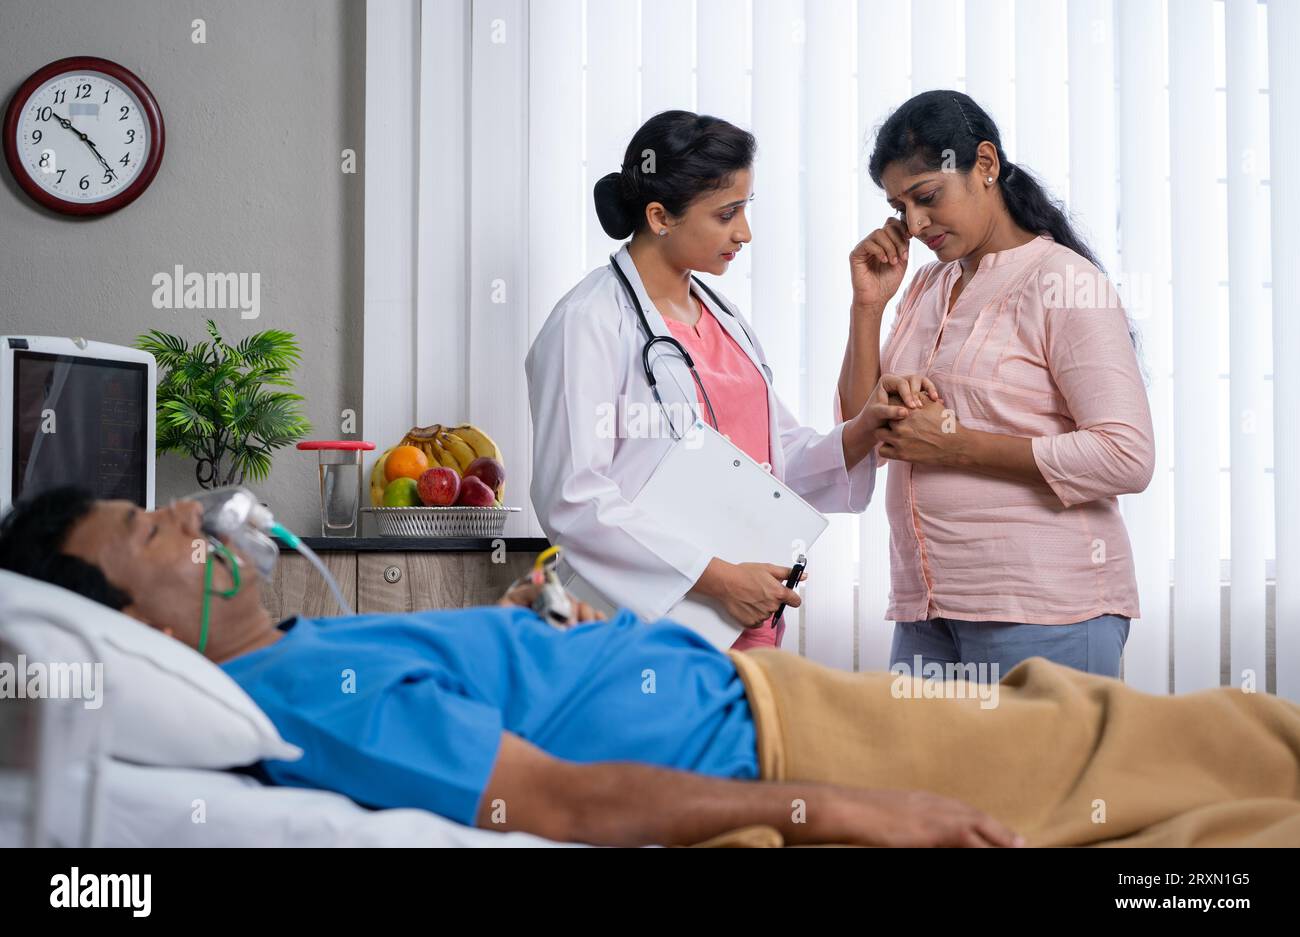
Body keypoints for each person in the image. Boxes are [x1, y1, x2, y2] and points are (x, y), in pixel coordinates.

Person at [7, 488, 1296, 848]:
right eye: (148, 533)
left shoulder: (307, 645)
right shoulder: (301, 702)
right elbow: (561, 805)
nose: (187, 518)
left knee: (1152, 726)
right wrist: (840, 808)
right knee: (1179, 753)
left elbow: (495, 702)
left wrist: (527, 635)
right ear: (139, 627)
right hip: (782, 747)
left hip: (755, 693)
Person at [526, 109, 935, 652]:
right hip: (647, 634)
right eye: (727, 214)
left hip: (747, 624)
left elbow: (772, 461)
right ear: (659, 216)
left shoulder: (725, 319)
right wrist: (717, 579)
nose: (744, 232)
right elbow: (573, 500)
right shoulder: (589, 322)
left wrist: (864, 429)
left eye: (745, 209)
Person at [860, 90, 1155, 678]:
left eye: (928, 197)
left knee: (1039, 775)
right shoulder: (926, 287)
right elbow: (860, 431)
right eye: (901, 207)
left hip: (1046, 609)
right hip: (929, 607)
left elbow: (1127, 455)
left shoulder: (1063, 282)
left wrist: (953, 444)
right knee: (914, 773)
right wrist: (867, 307)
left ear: (986, 166)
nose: (915, 225)